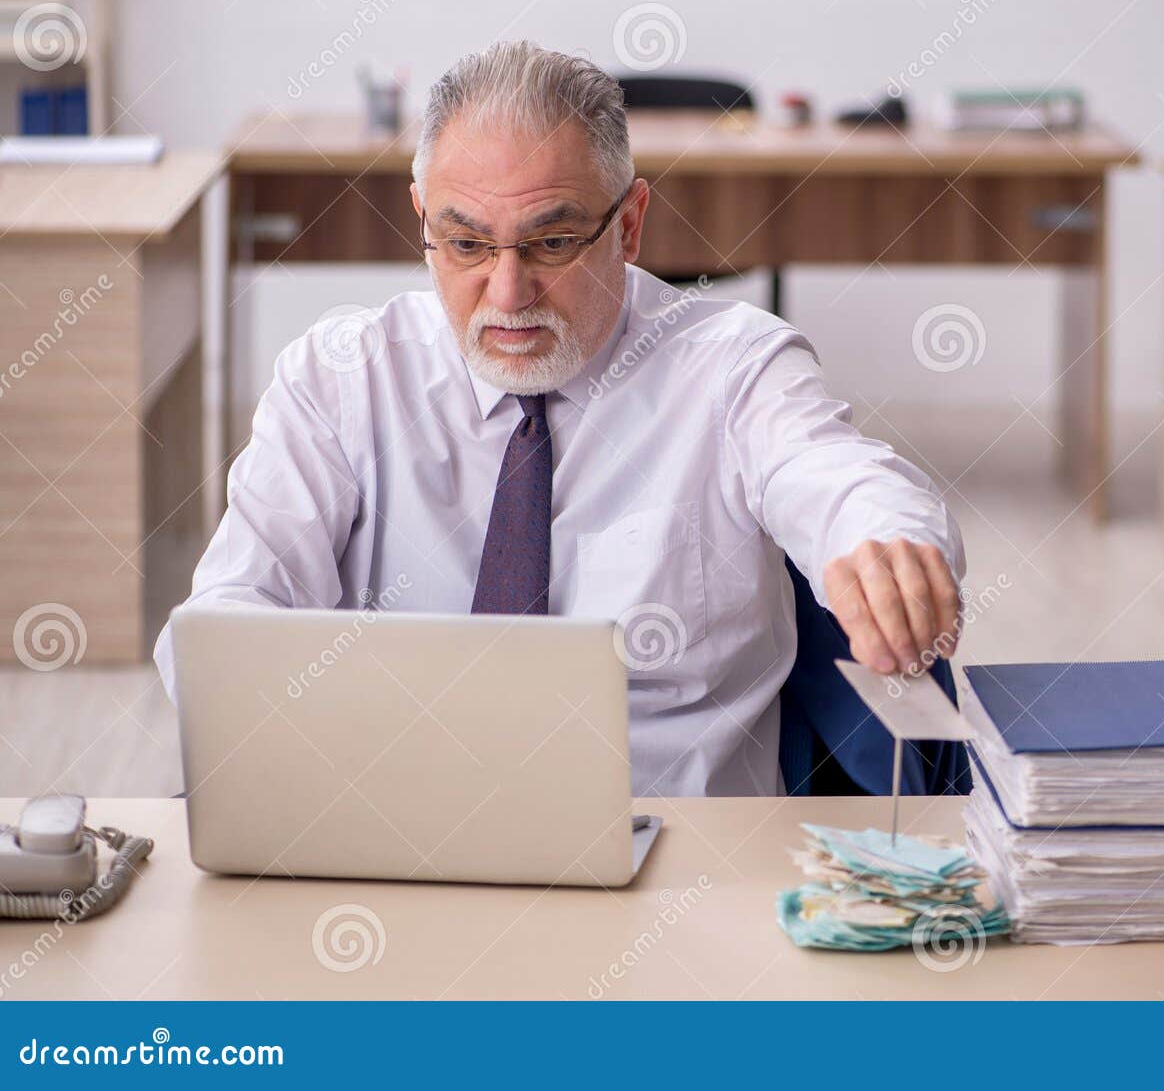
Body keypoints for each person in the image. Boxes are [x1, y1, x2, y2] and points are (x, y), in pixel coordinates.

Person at [155, 41, 964, 797]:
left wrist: (882, 542)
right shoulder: (340, 379)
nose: (507, 296)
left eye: (552, 244)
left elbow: (833, 475)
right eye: (466, 245)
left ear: (632, 224)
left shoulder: (733, 367)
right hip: (406, 842)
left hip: (686, 860)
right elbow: (227, 621)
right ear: (421, 221)